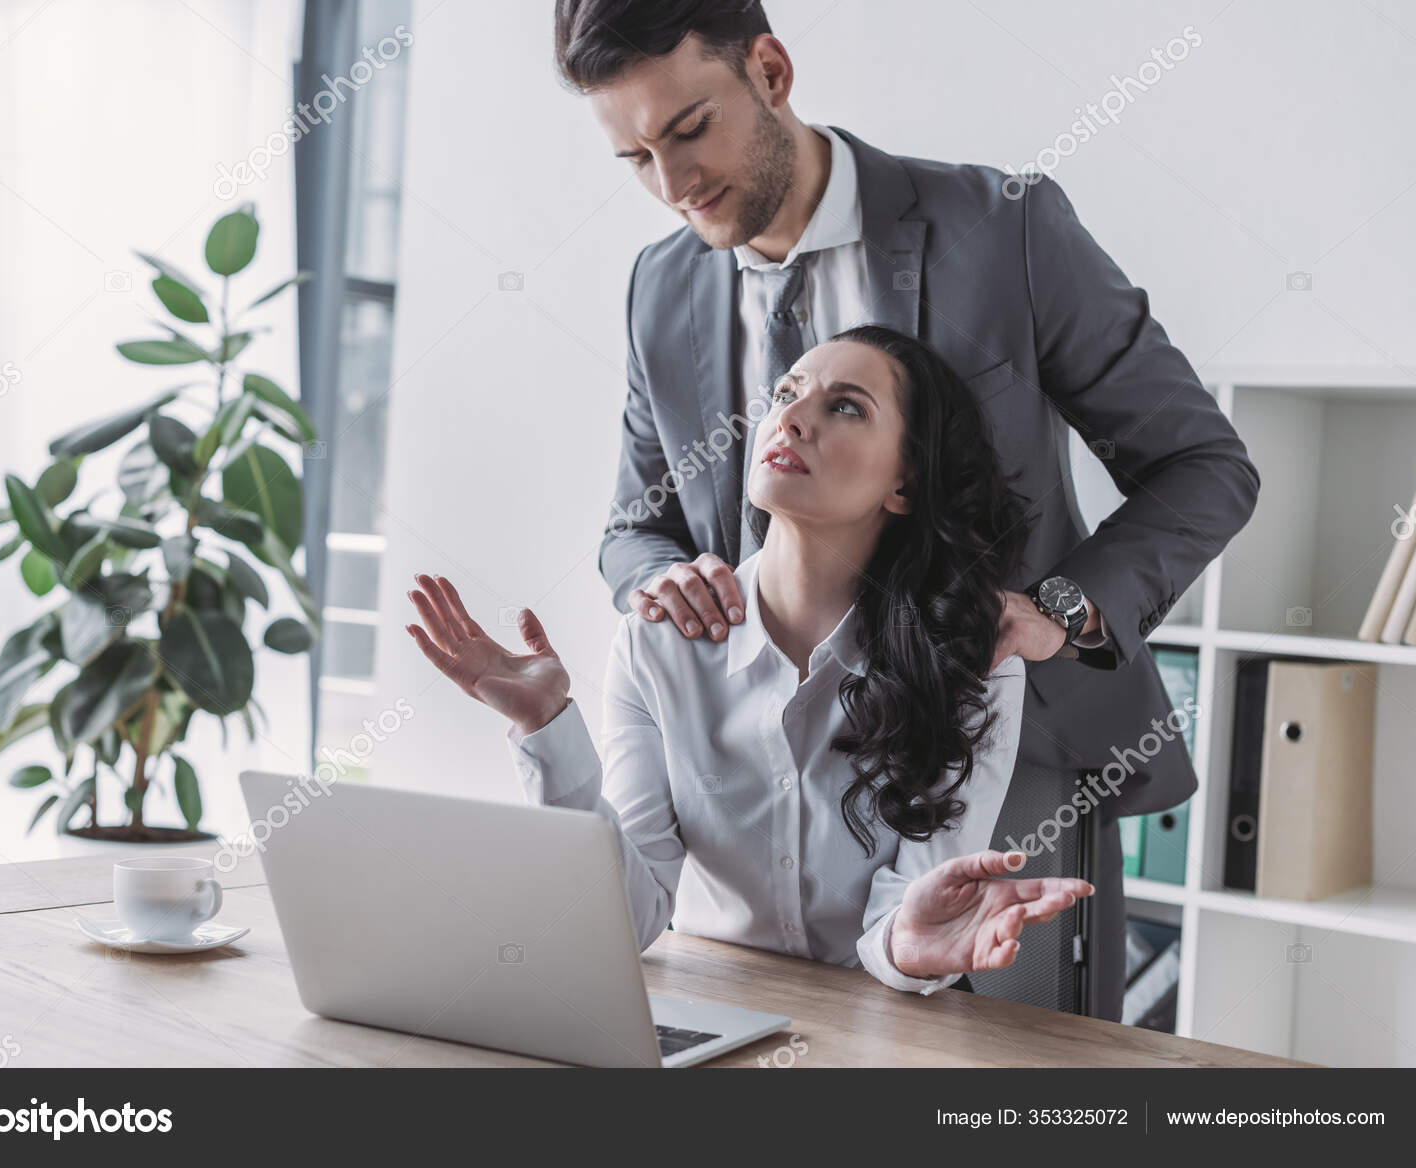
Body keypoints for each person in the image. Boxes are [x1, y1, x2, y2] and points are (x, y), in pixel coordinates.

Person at [555, 0, 1259, 1019]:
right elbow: (636, 524)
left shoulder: (1000, 227)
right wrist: (658, 579)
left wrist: (1055, 608)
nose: (672, 188)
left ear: (770, 69)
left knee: (1014, 1088)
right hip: (760, 795)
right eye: (633, 160)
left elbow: (1201, 464)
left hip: (1006, 744)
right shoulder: (660, 287)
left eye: (690, 129)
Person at [406, 327, 1093, 992]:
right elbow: (625, 917)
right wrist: (546, 726)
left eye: (845, 407)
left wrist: (908, 946)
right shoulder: (658, 643)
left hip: (879, 1019)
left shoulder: (977, 660)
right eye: (786, 393)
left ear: (904, 485)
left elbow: (911, 920)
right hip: (709, 1007)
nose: (791, 418)